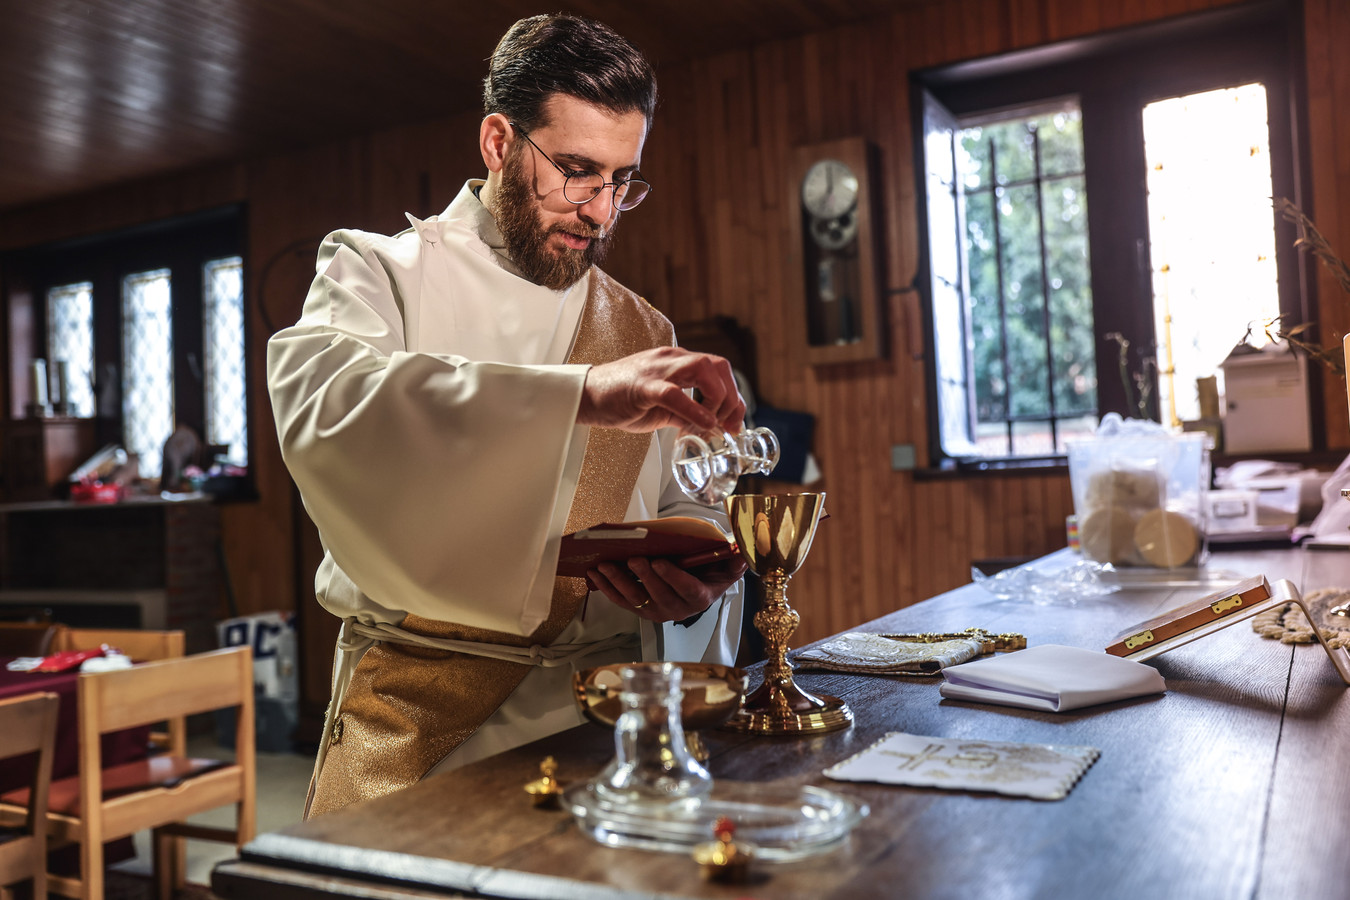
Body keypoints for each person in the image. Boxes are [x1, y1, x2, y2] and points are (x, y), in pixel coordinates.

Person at [267, 13, 749, 818]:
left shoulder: (644, 331)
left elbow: (684, 503)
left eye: (622, 181)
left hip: (607, 726)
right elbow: (332, 405)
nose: (600, 211)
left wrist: (692, 589)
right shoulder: (381, 273)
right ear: (498, 143)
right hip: (423, 724)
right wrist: (582, 396)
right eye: (576, 171)